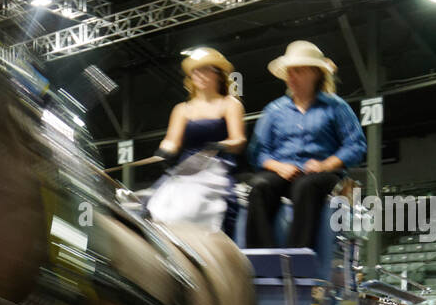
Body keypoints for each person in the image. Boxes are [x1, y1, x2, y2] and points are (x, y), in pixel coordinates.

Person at [246, 41, 367, 249]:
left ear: (315, 73)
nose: (291, 77)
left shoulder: (336, 106)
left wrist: (326, 165)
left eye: (298, 71)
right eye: (289, 72)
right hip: (282, 171)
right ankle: (261, 256)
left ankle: (298, 255)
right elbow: (258, 152)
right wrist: (277, 166)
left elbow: (355, 145)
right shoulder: (274, 110)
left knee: (306, 186)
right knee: (259, 186)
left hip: (321, 173)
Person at [143, 48, 246, 231]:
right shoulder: (182, 109)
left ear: (218, 75)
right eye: (196, 71)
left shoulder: (230, 104)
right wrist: (164, 150)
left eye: (206, 69)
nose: (200, 74)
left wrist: (220, 145)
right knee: (150, 203)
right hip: (187, 168)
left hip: (216, 167)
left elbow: (238, 140)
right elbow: (172, 141)